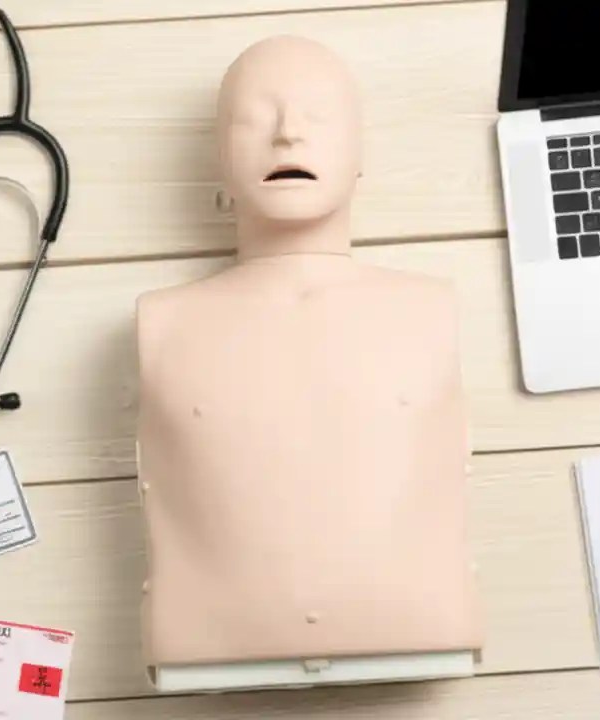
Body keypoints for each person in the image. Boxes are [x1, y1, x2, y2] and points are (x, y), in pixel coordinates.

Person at [134, 35, 482, 692]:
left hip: (424, 628)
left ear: (361, 154)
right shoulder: (162, 320)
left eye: (318, 116)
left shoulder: (431, 307)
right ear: (218, 157)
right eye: (254, 117)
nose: (288, 135)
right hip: (204, 643)